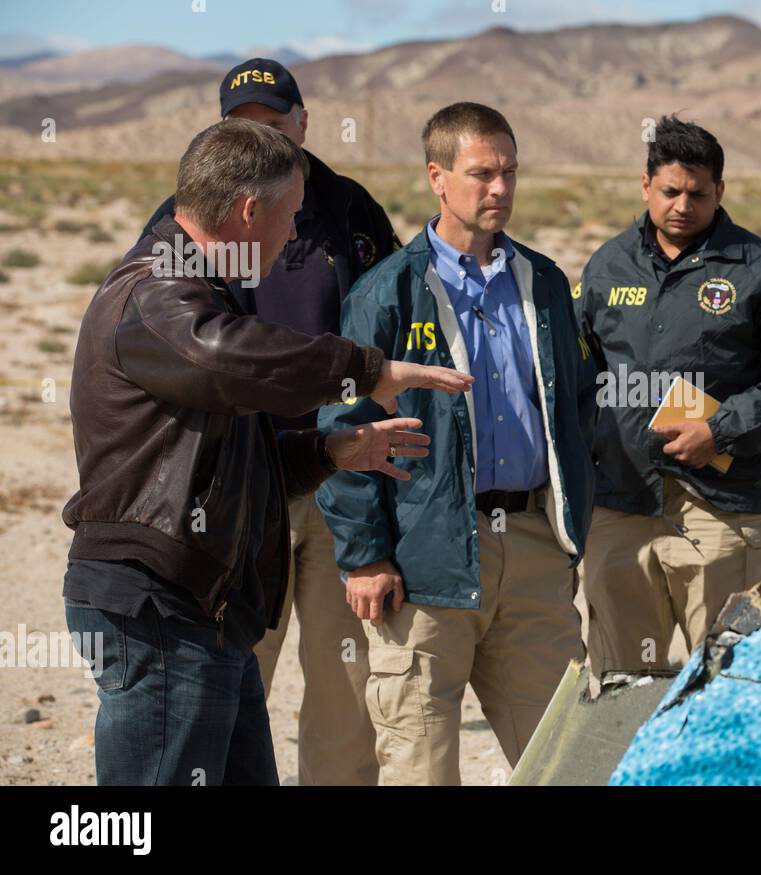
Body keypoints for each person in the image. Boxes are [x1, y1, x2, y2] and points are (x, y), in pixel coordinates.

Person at [62, 117, 472, 785]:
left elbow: (229, 464)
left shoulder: (200, 291)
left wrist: (332, 450)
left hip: (208, 610)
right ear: (251, 210)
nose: (293, 234)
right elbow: (228, 356)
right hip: (160, 602)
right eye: (290, 214)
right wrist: (366, 370)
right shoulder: (156, 291)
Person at [316, 102, 595, 785]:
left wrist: (569, 534)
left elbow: (576, 413)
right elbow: (340, 428)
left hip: (531, 551)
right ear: (437, 178)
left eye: (509, 172)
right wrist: (365, 554)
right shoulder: (388, 292)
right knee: (421, 765)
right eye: (482, 173)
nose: (499, 188)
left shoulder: (546, 283)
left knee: (571, 762)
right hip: (424, 559)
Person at [138, 57, 400, 785]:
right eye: (243, 131)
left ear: (304, 122)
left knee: (345, 684)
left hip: (337, 479)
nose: (263, 146)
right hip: (235, 482)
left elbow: (391, 327)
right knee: (229, 672)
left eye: (276, 127)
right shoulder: (180, 220)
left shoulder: (351, 211)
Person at [574, 115, 761, 681]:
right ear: (645, 187)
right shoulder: (607, 265)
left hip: (720, 510)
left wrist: (724, 428)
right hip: (621, 506)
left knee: (729, 682)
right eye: (670, 191)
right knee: (619, 683)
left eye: (698, 193)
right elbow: (576, 373)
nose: (683, 205)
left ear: (720, 192)